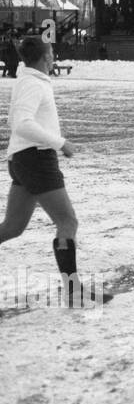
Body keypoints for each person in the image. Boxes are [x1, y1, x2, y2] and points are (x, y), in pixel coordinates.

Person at [1, 36, 110, 307]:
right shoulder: (32, 84)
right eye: (51, 53)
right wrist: (60, 143)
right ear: (44, 57)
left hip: (24, 159)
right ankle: (73, 292)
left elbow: (19, 122)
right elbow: (22, 123)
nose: (53, 57)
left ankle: (73, 291)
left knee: (12, 228)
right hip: (36, 159)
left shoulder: (29, 80)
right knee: (68, 222)